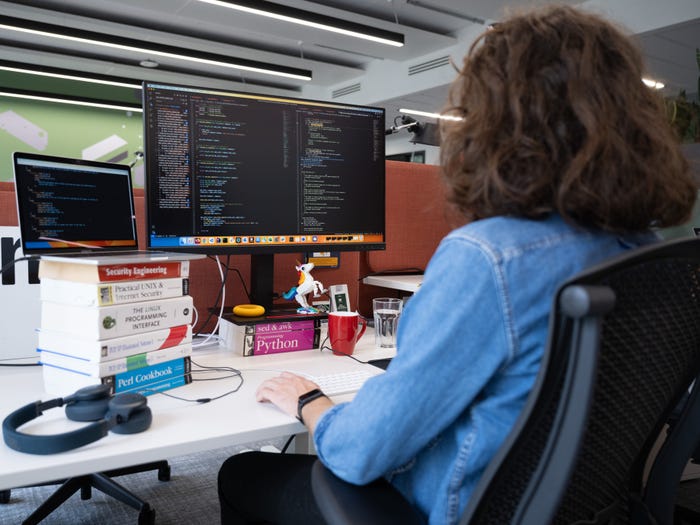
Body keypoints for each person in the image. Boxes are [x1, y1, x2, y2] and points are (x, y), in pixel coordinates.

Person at [218, 5, 697, 524]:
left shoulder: (492, 257)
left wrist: (310, 400)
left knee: (242, 473)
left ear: (492, 125)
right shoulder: (656, 255)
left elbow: (364, 453)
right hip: (585, 510)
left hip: (454, 509)